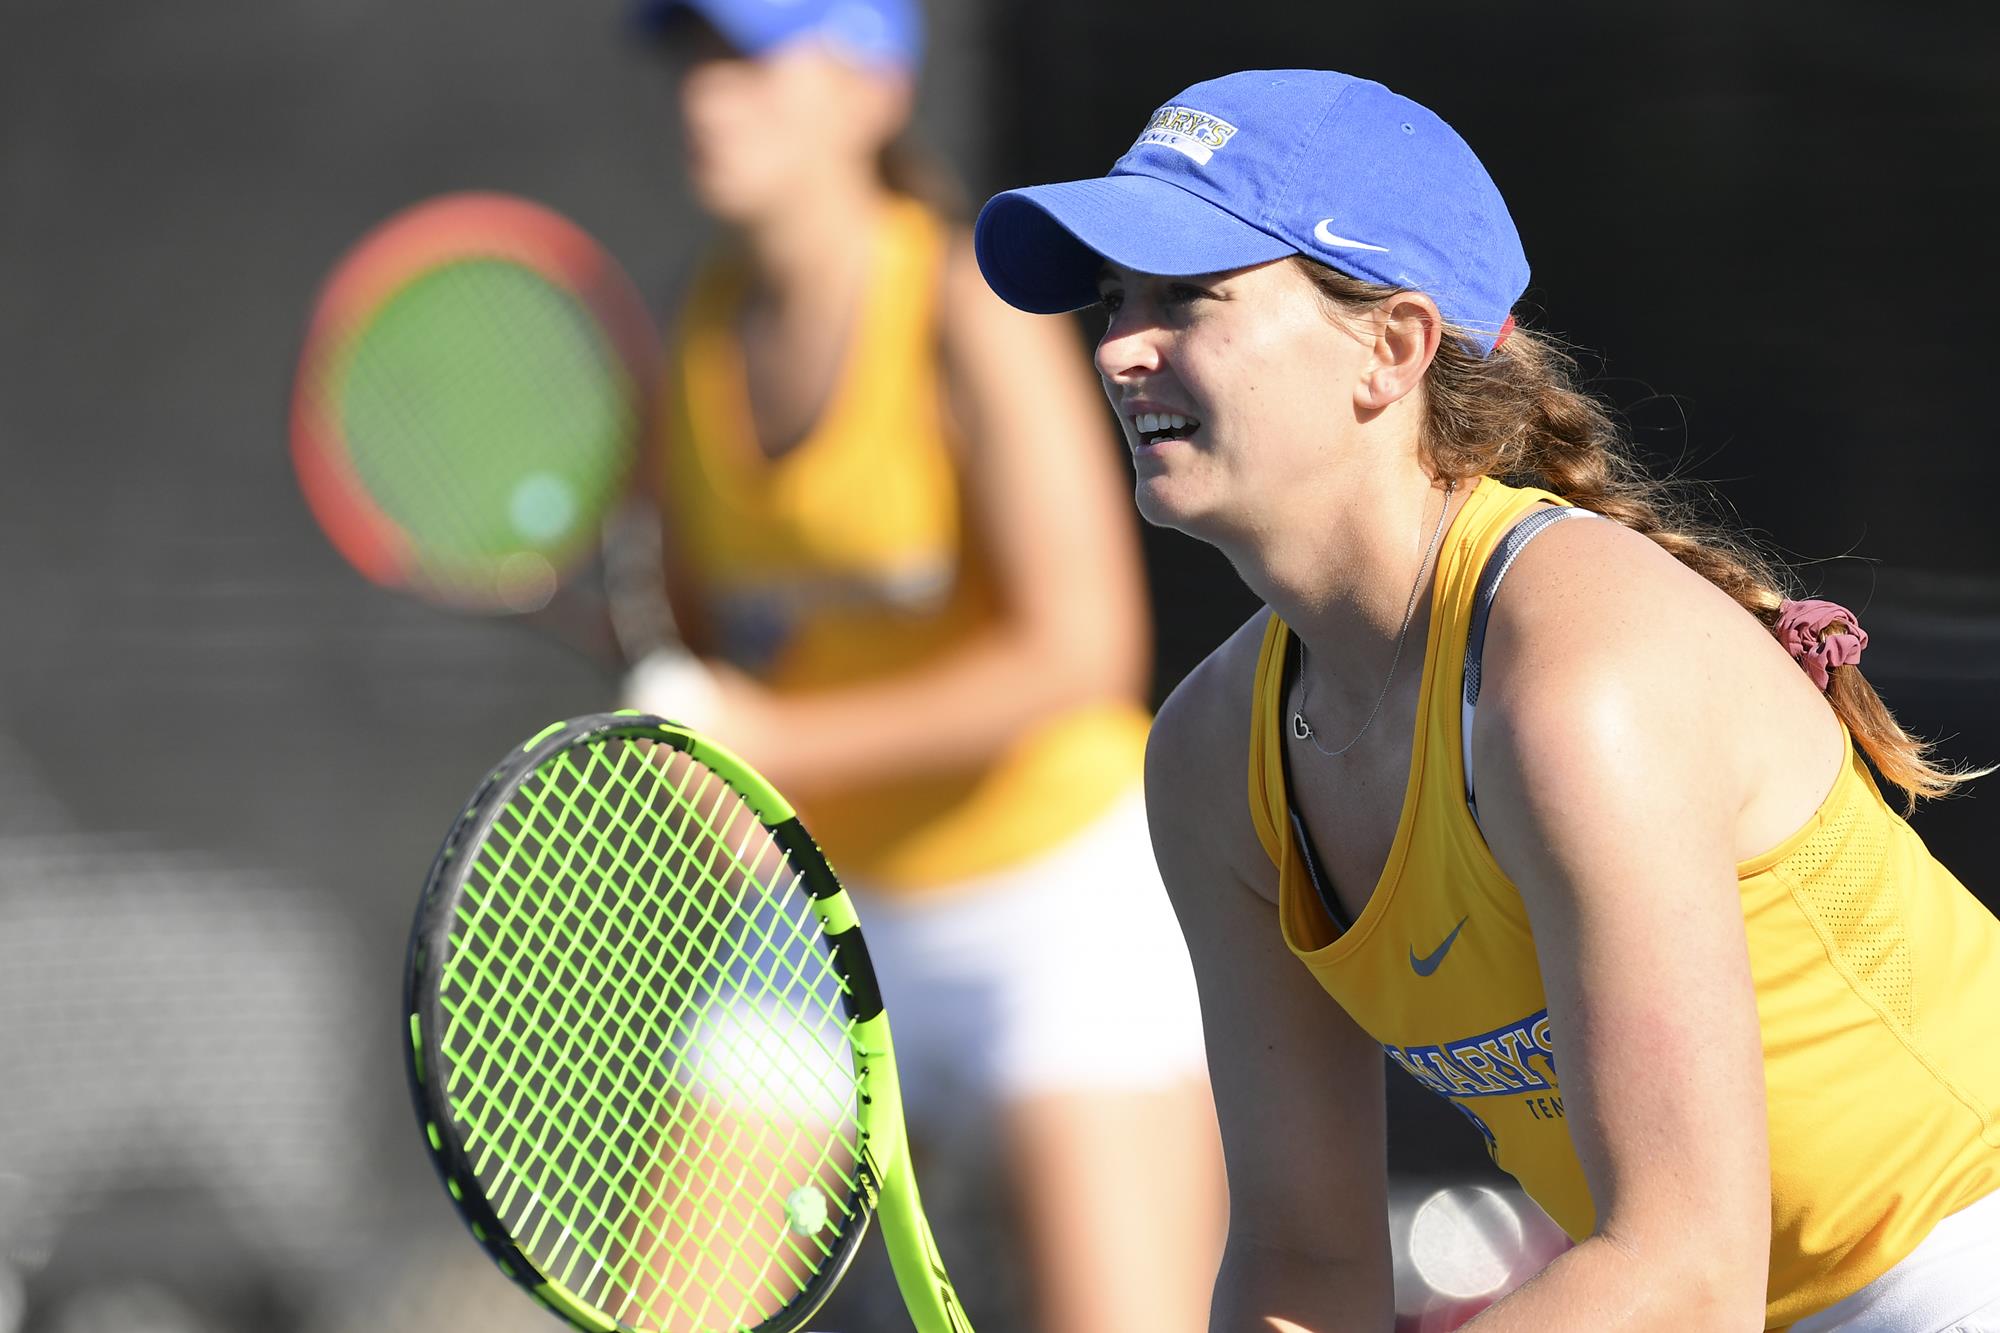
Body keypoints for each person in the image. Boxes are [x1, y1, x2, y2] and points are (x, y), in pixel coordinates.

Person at [972, 68, 2000, 1331]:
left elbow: (1681, 1274)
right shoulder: (1205, 758)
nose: (1118, 346)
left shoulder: (1578, 681)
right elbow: (1305, 1265)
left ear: (1390, 348)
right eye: (1115, 299)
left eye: (1187, 294)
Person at [617, 3, 1226, 1330]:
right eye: (693, 59)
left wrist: (768, 748)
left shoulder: (959, 300)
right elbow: (722, 647)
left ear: (869, 88)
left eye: (751, 58)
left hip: (1056, 905)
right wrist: (722, 733)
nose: (708, 99)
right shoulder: (702, 324)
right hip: (825, 922)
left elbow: (1082, 652)